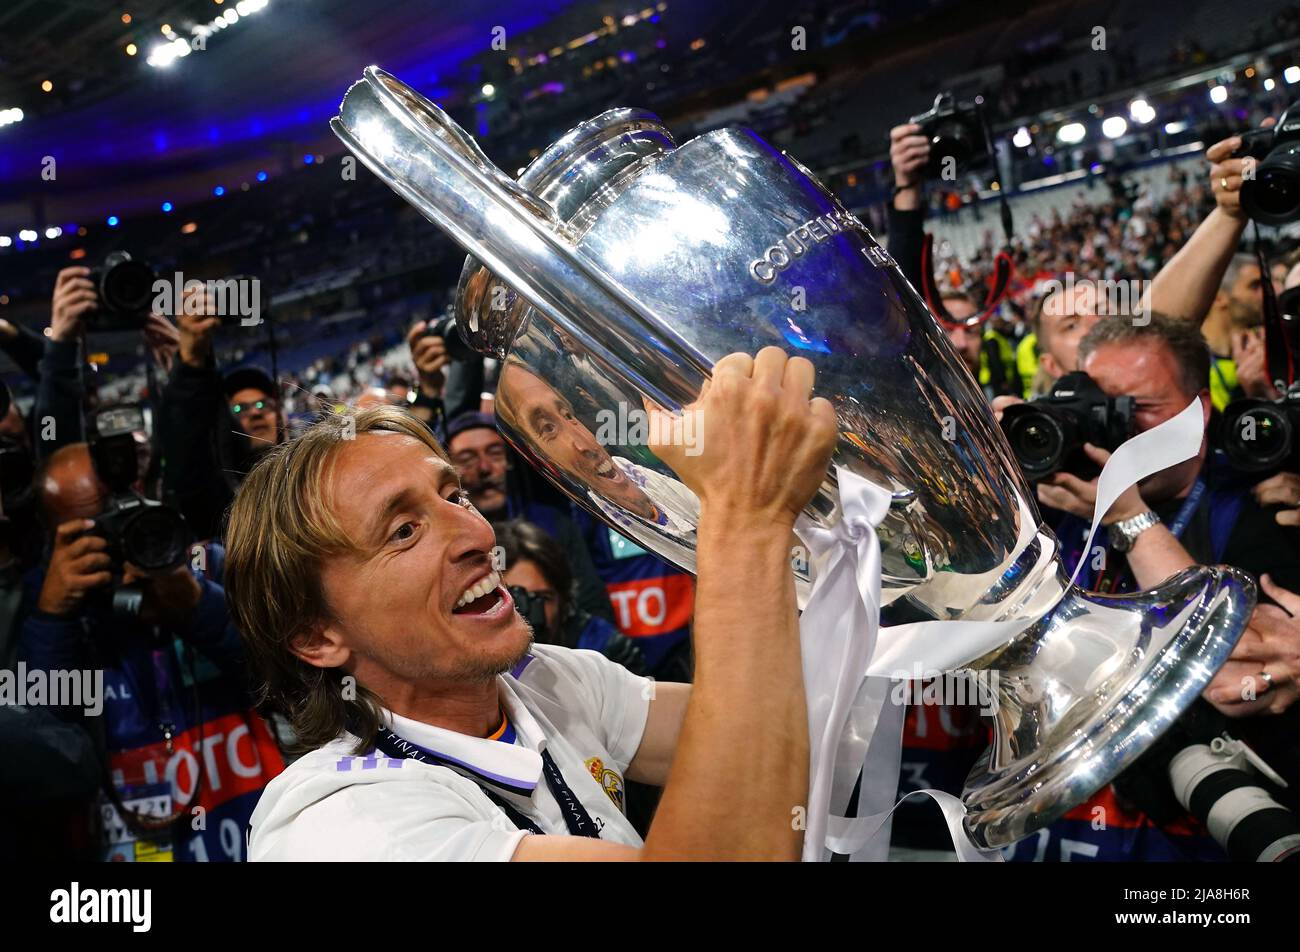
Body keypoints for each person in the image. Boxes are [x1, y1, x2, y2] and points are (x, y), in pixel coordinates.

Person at [228, 347, 837, 860]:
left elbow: (789, 729)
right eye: (404, 532)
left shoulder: (547, 681)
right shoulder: (341, 825)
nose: (477, 535)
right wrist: (746, 516)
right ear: (317, 636)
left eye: (454, 496)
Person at [1000, 314, 1300, 861]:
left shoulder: (1257, 509)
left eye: (1142, 408)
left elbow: (1234, 675)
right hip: (1058, 832)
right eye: (1100, 406)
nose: (1118, 428)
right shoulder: (1053, 496)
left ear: (1199, 413)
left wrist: (1128, 517)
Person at [18, 443, 283, 861]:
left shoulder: (210, 568)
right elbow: (42, 753)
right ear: (52, 539)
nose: (117, 537)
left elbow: (289, 685)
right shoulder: (46, 609)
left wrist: (198, 608)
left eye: (122, 512)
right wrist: (54, 618)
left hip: (254, 838)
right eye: (92, 530)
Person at [445, 411, 616, 628]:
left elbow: (593, 607)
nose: (484, 468)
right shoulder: (446, 541)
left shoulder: (553, 524)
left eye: (495, 453)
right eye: (467, 459)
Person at [494, 519, 644, 675]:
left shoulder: (605, 649)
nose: (528, 610)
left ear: (563, 600)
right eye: (514, 595)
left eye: (541, 598)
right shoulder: (476, 660)